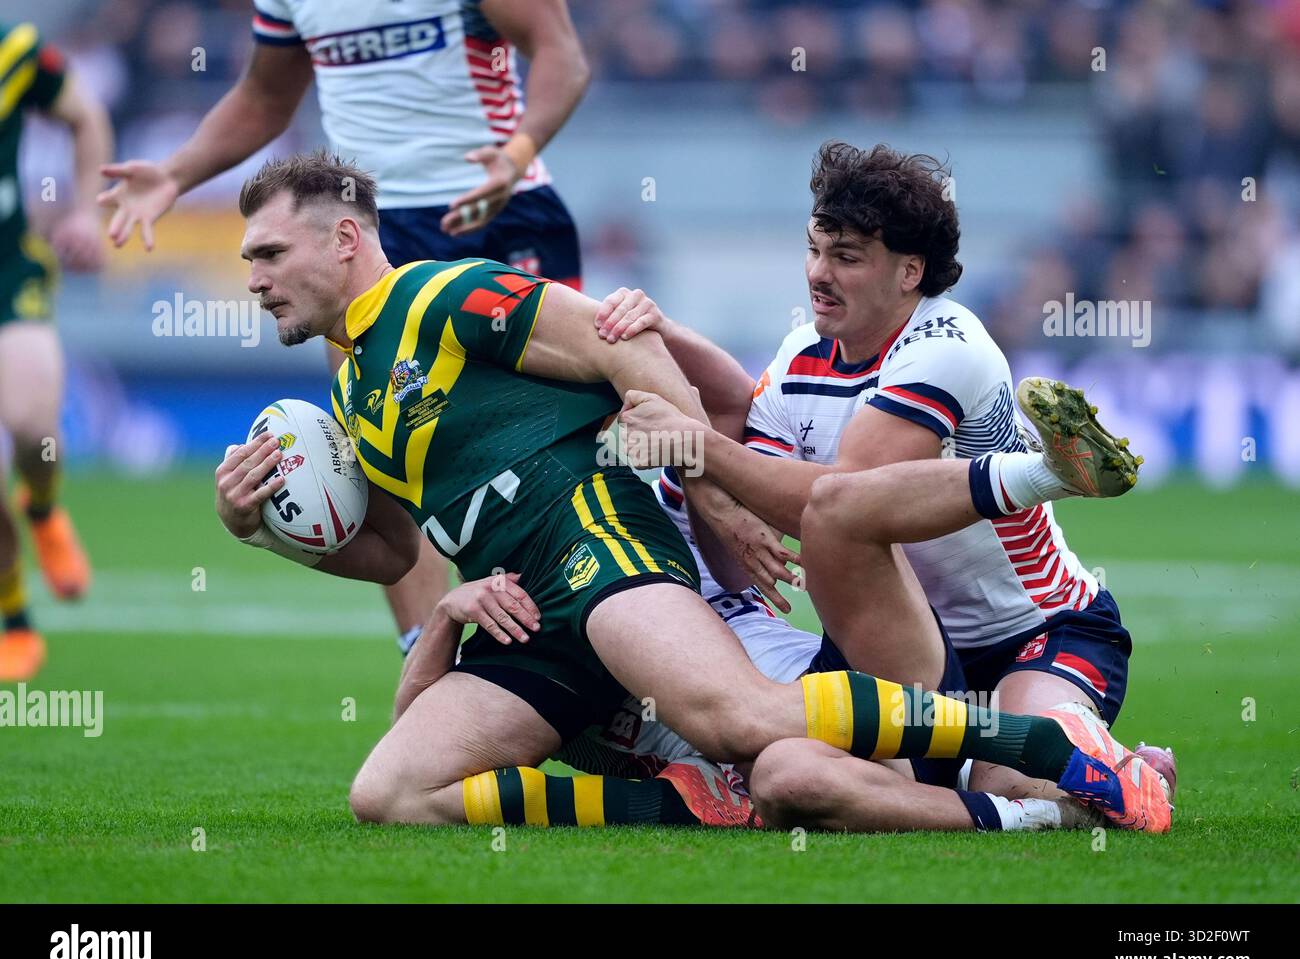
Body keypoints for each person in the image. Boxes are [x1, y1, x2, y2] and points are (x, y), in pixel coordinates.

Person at [213, 151, 1172, 833]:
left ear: (345, 238)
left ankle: (1048, 747)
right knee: (390, 794)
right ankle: (689, 804)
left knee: (741, 718)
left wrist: (709, 493)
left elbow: (616, 342)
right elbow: (389, 551)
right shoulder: (350, 387)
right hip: (529, 619)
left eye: (267, 254)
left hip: (600, 562)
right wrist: (264, 530)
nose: (253, 278)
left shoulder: (442, 293)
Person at [593, 141, 1173, 830]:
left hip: (1035, 635)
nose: (818, 274)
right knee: (783, 776)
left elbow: (842, 500)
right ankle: (1048, 794)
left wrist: (695, 444)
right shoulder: (798, 358)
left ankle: (1070, 764)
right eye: (814, 249)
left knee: (1007, 771)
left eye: (847, 257)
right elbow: (747, 531)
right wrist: (667, 354)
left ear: (909, 272)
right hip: (899, 650)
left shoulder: (948, 345)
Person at [99, 0, 590, 657]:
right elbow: (265, 95)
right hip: (370, 237)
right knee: (392, 463)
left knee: (566, 437)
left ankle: (614, 632)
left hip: (498, 211)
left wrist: (518, 150)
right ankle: (432, 661)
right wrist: (174, 172)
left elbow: (562, 53)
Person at [0, 21, 112, 681]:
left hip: (10, 278)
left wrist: (85, 212)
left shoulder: (13, 54)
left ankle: (42, 509)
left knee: (33, 427)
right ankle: (13, 615)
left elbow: (86, 115)